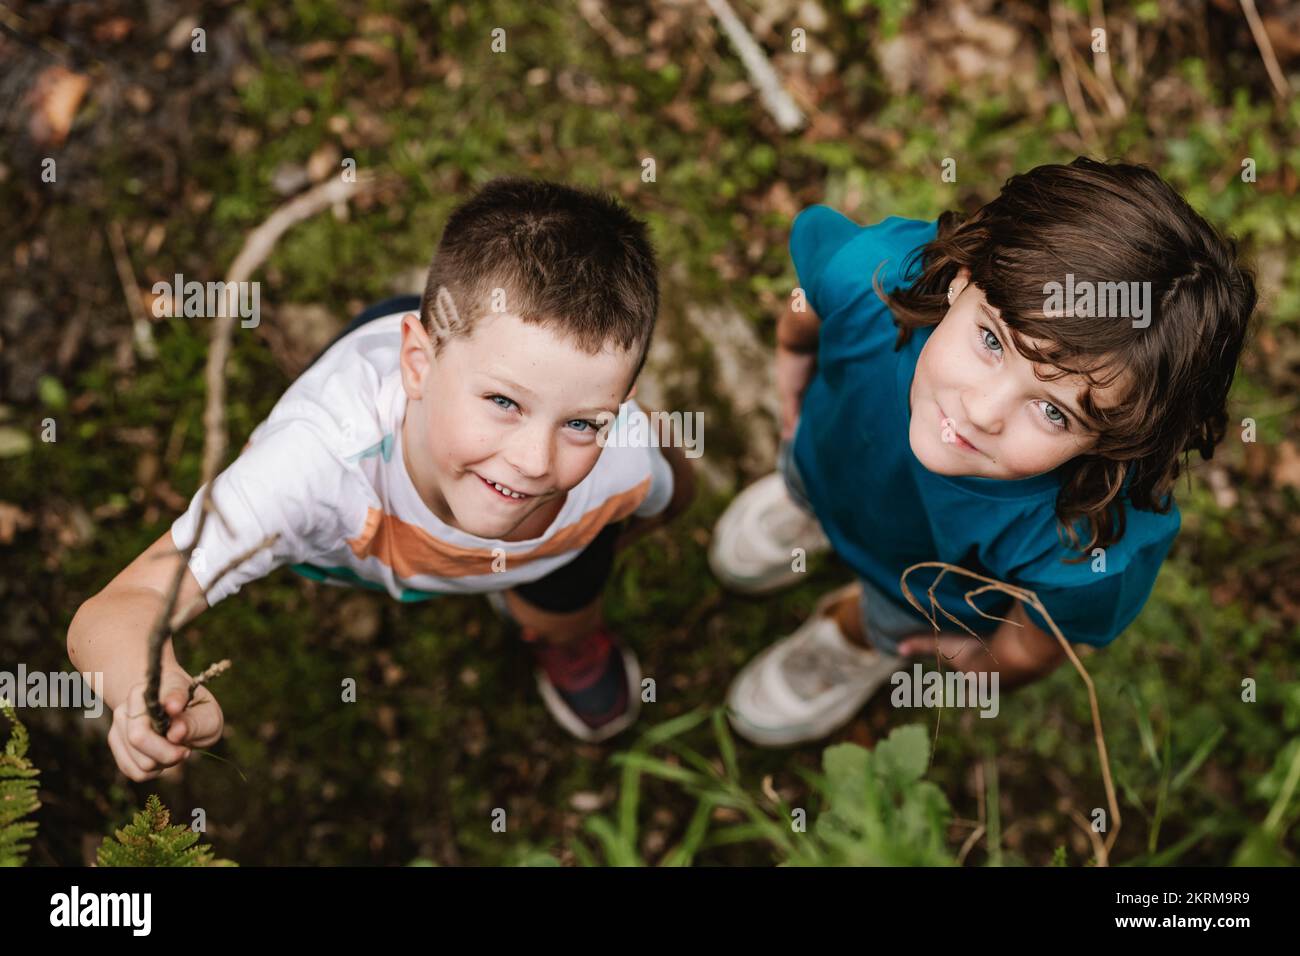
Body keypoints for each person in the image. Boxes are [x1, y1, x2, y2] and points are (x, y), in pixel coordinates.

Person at [68, 177, 696, 780]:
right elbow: (114, 612)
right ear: (417, 365)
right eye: (504, 403)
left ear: (622, 402)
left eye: (584, 421)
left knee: (572, 585)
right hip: (372, 487)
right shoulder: (314, 469)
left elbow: (669, 497)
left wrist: (589, 541)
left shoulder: (624, 462)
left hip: (529, 513)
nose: (536, 461)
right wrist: (144, 687)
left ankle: (556, 630)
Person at [711, 156, 1257, 746]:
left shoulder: (1092, 540)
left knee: (888, 617)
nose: (982, 410)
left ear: (1118, 441)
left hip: (915, 592)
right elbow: (809, 299)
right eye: (993, 341)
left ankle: (852, 635)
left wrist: (981, 664)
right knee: (807, 477)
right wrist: (794, 368)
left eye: (1054, 411)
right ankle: (804, 510)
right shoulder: (872, 281)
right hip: (825, 455)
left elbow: (1036, 642)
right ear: (962, 278)